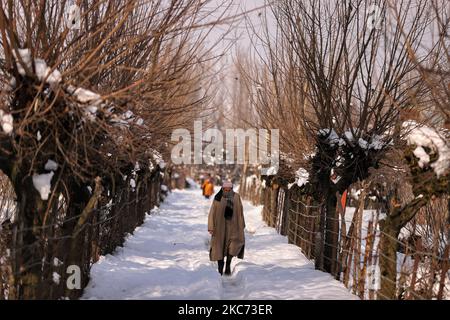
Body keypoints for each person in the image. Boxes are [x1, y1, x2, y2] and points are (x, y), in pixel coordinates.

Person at [207, 181, 245, 276]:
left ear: (232, 188)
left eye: (229, 189)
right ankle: (220, 268)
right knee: (219, 248)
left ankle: (228, 264)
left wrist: (242, 224)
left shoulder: (236, 197)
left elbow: (240, 211)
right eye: (225, 189)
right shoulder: (218, 198)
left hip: (234, 226)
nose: (227, 190)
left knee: (232, 247)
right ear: (222, 189)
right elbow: (212, 213)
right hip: (220, 227)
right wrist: (211, 226)